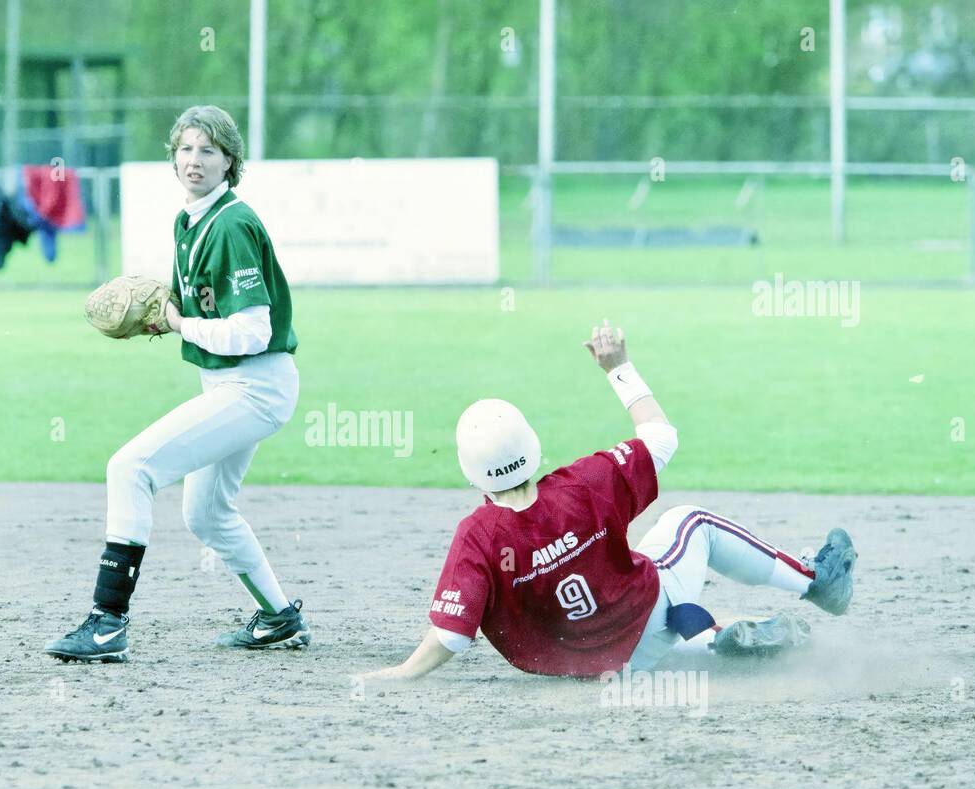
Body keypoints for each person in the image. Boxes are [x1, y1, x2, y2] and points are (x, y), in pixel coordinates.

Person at [358, 321, 857, 682]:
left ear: (470, 473)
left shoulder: (478, 536)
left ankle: (711, 637)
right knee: (689, 522)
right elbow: (662, 438)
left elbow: (450, 636)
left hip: (586, 667)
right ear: (532, 448)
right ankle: (816, 583)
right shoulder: (583, 483)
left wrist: (401, 673)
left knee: (640, 637)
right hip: (642, 622)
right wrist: (618, 367)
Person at [45, 105, 310, 662]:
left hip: (254, 385)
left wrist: (180, 322)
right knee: (206, 513)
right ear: (173, 157)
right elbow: (199, 312)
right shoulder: (188, 221)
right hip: (228, 386)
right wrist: (164, 309)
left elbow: (251, 329)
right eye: (186, 148)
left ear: (230, 161)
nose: (195, 160)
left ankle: (107, 622)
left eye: (208, 150)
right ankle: (278, 618)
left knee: (130, 468)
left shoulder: (232, 224)